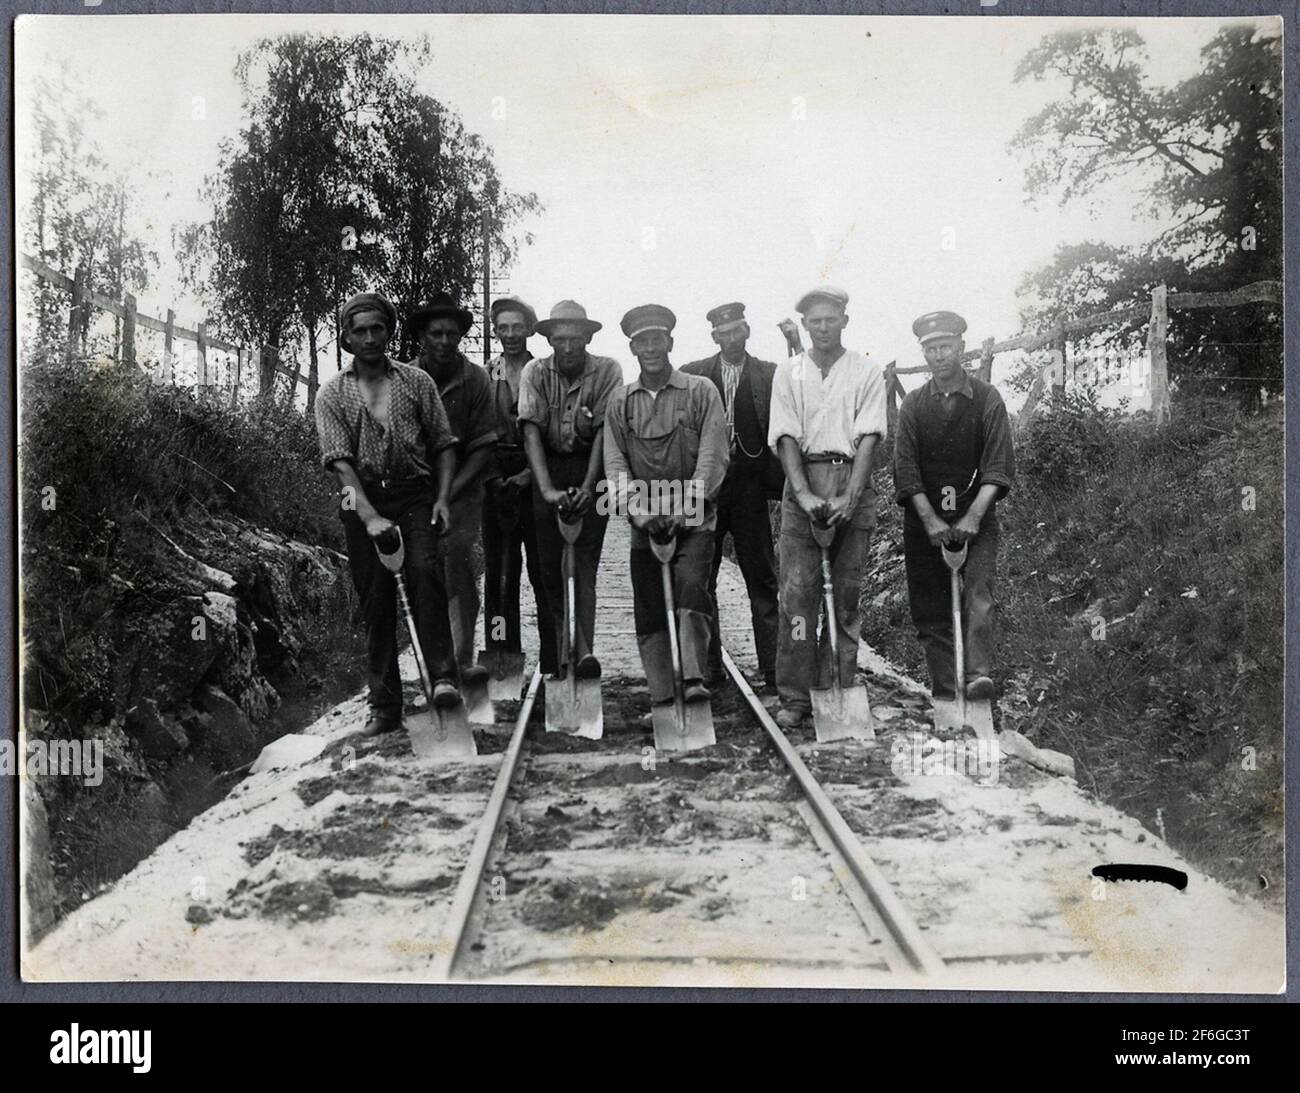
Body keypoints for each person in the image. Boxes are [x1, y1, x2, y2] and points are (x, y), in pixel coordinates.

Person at [315, 291, 461, 735]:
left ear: (390, 332)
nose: (370, 338)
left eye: (378, 328)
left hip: (415, 494)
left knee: (423, 573)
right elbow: (341, 465)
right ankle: (385, 706)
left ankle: (442, 681)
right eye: (360, 331)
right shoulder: (332, 394)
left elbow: (443, 445)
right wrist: (370, 518)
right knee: (376, 598)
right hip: (360, 499)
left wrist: (442, 498)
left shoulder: (417, 383)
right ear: (346, 338)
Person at [768, 285, 888, 730]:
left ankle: (836, 689)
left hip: (850, 480)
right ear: (804, 325)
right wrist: (802, 495)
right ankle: (796, 697)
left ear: (844, 320)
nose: (822, 328)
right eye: (813, 321)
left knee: (846, 599)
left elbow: (870, 436)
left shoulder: (866, 371)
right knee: (798, 600)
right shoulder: (789, 372)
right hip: (803, 481)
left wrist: (850, 497)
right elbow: (784, 436)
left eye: (830, 319)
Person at [604, 304, 728, 710]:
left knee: (692, 587)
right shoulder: (620, 402)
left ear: (670, 342)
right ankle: (661, 692)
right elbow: (615, 462)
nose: (651, 348)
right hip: (646, 519)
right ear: (633, 347)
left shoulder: (700, 392)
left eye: (657, 339)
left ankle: (693, 679)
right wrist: (635, 511)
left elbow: (712, 455)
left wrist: (687, 507)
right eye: (642, 342)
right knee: (650, 603)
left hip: (693, 517)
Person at [893, 310, 1015, 703]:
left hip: (975, 517)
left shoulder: (987, 400)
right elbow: (906, 469)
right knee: (930, 610)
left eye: (945, 346)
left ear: (961, 347)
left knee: (978, 595)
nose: (939, 355)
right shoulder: (912, 405)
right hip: (924, 522)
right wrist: (929, 520)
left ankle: (978, 677)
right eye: (931, 348)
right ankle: (946, 692)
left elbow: (998, 466)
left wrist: (973, 518)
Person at [518, 300, 623, 682]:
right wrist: (546, 490)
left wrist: (590, 487)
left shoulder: (608, 371)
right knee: (550, 570)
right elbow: (530, 430)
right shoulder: (535, 372)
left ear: (587, 337)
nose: (567, 347)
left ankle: (584, 653)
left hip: (589, 468)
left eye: (575, 339)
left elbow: (604, 434)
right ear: (549, 339)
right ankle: (558, 658)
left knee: (583, 567)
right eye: (559, 339)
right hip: (547, 467)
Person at [681, 302, 783, 690]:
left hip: (750, 489)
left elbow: (802, 386)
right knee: (700, 577)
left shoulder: (768, 374)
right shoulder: (694, 374)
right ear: (714, 337)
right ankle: (710, 667)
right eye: (724, 333)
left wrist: (793, 343)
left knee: (761, 576)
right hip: (707, 491)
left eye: (738, 330)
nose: (732, 338)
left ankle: (773, 669)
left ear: (747, 332)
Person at [408, 292, 497, 691]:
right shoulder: (405, 378)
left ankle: (461, 660)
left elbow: (483, 445)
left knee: (458, 564)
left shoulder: (475, 379)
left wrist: (450, 491)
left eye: (452, 334)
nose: (444, 342)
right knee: (423, 573)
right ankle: (435, 666)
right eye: (436, 334)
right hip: (415, 492)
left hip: (462, 491)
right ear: (422, 337)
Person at [482, 295, 557, 676]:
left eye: (517, 327)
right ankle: (502, 664)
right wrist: (495, 479)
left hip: (537, 475)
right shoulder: (487, 373)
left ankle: (552, 664)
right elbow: (477, 432)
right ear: (495, 331)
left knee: (544, 573)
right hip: (496, 480)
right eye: (503, 328)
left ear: (530, 329)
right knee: (500, 576)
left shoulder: (543, 372)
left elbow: (552, 432)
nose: (510, 335)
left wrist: (530, 475)